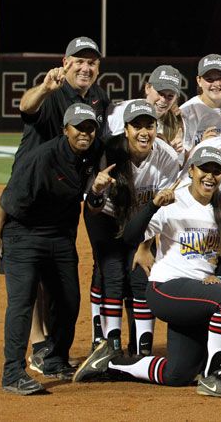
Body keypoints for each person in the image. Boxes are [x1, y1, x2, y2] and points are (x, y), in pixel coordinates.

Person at [74, 145, 221, 399]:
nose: (210, 176)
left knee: (178, 375)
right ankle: (213, 375)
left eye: (216, 171)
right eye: (204, 169)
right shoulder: (174, 200)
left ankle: (111, 363)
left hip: (197, 298)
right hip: (166, 288)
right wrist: (153, 206)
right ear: (191, 170)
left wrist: (219, 277)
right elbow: (131, 237)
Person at [0, 37, 110, 371]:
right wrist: (43, 88)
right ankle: (40, 343)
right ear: (65, 62)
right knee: (32, 278)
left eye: (92, 62)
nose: (86, 67)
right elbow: (27, 107)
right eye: (79, 61)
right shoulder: (53, 89)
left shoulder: (99, 98)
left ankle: (50, 348)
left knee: (56, 274)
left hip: (66, 192)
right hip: (33, 187)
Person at [0, 103, 103, 395]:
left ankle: (54, 360)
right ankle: (12, 373)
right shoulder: (42, 157)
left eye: (89, 128)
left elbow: (90, 201)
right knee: (21, 303)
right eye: (78, 127)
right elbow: (7, 200)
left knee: (68, 300)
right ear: (65, 129)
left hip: (59, 237)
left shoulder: (90, 156)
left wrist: (95, 193)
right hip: (24, 233)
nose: (84, 133)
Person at [84, 101, 179, 359]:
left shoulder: (167, 157)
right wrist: (97, 190)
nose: (144, 132)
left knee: (140, 274)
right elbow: (93, 205)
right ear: (125, 130)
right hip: (104, 216)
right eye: (136, 126)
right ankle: (107, 346)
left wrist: (145, 246)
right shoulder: (109, 152)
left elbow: (162, 211)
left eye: (149, 126)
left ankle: (142, 349)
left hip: (144, 221)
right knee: (111, 272)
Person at [107, 65, 184, 154]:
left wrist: (172, 153)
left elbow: (179, 164)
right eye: (160, 93)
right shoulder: (119, 112)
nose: (163, 100)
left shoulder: (174, 123)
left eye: (170, 96)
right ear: (147, 88)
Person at [180, 54, 221, 154]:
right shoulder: (186, 111)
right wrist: (201, 146)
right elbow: (181, 162)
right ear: (199, 81)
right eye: (209, 79)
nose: (216, 84)